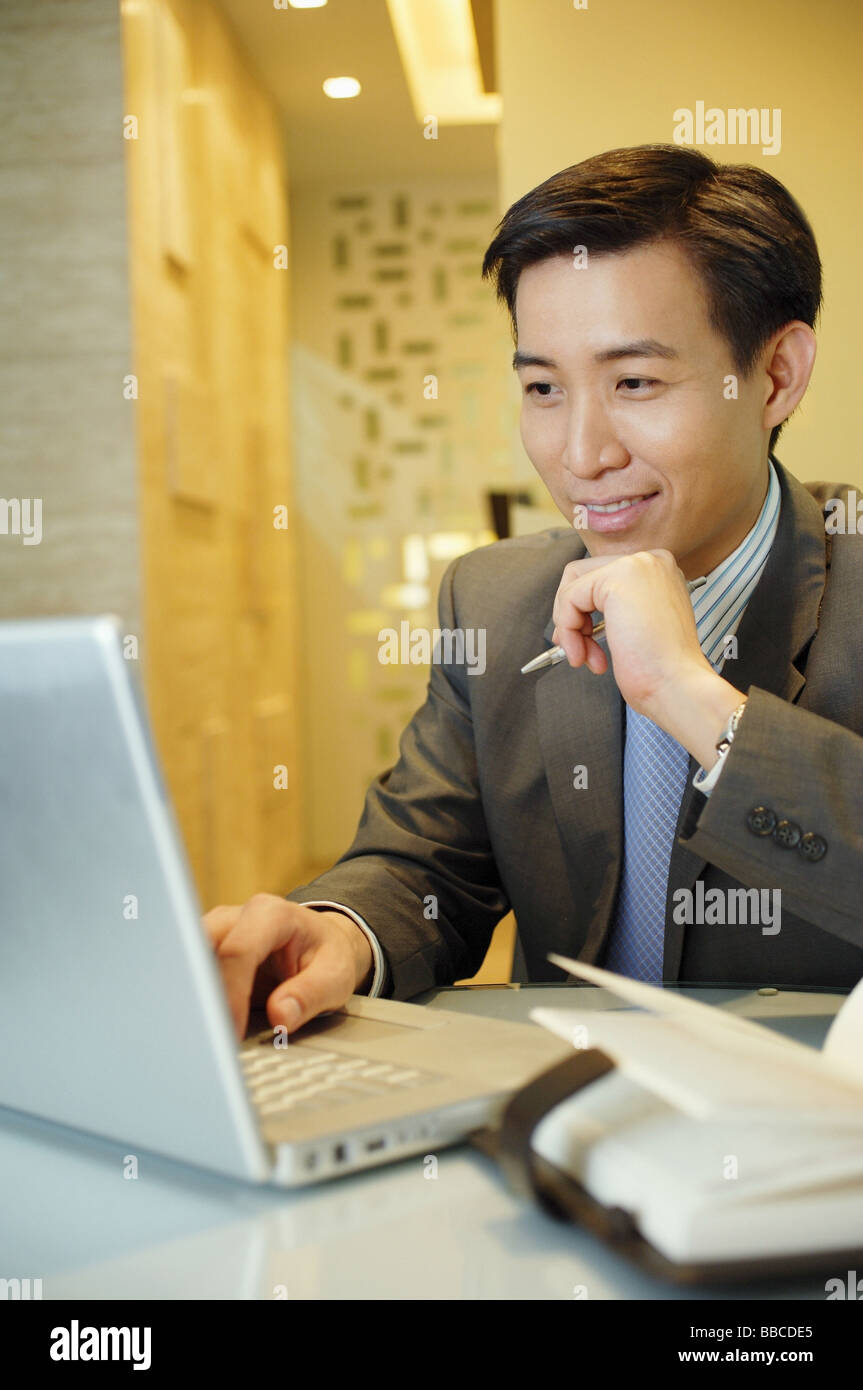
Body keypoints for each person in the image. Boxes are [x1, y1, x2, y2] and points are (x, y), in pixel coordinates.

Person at [204, 144, 863, 1042]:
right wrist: (336, 934)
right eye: (543, 388)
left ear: (775, 375)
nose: (580, 453)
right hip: (557, 1128)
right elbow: (426, 863)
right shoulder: (496, 598)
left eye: (634, 382)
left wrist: (688, 695)